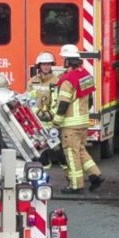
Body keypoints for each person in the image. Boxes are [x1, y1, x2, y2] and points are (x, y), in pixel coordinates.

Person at [53, 45, 104, 194]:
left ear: (67, 61)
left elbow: (63, 104)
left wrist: (56, 122)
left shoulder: (67, 80)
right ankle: (96, 175)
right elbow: (90, 100)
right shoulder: (85, 75)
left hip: (70, 125)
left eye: (64, 59)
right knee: (80, 150)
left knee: (71, 154)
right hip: (83, 122)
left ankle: (76, 186)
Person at [29, 52, 59, 121]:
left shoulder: (57, 81)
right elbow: (29, 99)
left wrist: (51, 113)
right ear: (39, 66)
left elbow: (59, 101)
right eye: (44, 64)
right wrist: (37, 112)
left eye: (48, 64)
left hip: (51, 120)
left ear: (51, 65)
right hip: (36, 119)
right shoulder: (32, 81)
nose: (46, 67)